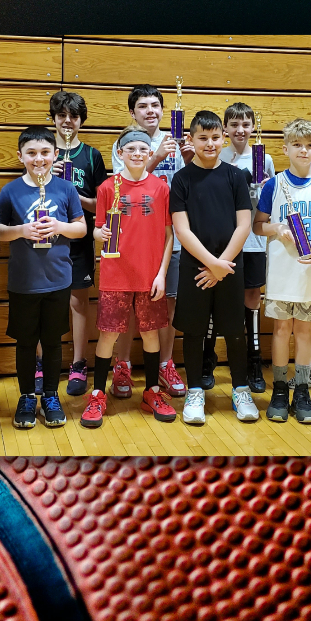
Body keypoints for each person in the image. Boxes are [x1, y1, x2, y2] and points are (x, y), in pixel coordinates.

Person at [83, 125, 176, 428]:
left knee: (151, 334)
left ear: (150, 153)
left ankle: (151, 391)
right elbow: (97, 228)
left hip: (150, 276)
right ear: (119, 153)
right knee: (108, 334)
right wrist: (100, 233)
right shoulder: (108, 188)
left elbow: (168, 235)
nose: (137, 154)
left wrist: (161, 274)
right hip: (115, 275)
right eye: (130, 149)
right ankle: (97, 394)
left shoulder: (161, 188)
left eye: (143, 149)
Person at [254, 119, 311, 425]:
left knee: (304, 331)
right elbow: (258, 224)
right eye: (297, 145)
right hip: (281, 270)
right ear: (286, 149)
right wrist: (277, 228)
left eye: (309, 145)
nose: (303, 150)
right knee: (281, 330)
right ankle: (280, 389)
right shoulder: (274, 184)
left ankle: (302, 390)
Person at [0, 126, 87, 429]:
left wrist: (58, 227)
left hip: (58, 280)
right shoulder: (11, 190)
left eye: (45, 152)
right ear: (20, 155)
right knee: (25, 343)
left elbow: (81, 228)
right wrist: (22, 231)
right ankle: (26, 396)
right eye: (32, 153)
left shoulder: (66, 188)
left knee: (52, 342)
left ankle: (50, 395)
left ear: (54, 154)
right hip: (23, 282)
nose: (39, 159)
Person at [170, 110, 254, 426]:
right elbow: (183, 230)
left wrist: (222, 266)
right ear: (191, 139)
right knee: (193, 332)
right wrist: (211, 263)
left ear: (224, 138)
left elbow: (244, 225)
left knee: (235, 331)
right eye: (202, 138)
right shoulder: (181, 179)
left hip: (230, 266)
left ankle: (241, 389)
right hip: (197, 267)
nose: (210, 143)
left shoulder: (236, 176)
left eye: (215, 137)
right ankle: (194, 391)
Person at [108, 85, 192, 398]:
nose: (150, 111)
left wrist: (188, 163)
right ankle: (123, 365)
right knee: (130, 305)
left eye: (155, 105)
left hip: (170, 233)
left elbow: (185, 189)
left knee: (168, 301)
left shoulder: (175, 140)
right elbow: (121, 186)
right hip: (133, 239)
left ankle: (165, 364)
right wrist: (155, 158)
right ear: (132, 112)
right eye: (142, 106)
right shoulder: (125, 143)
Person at [212, 101, 276, 393]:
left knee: (252, 294)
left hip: (255, 240)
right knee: (217, 295)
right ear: (225, 128)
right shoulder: (218, 155)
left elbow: (271, 202)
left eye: (245, 124)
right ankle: (207, 358)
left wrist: (264, 187)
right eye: (234, 124)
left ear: (253, 127)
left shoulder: (264, 158)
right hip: (223, 240)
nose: (240, 130)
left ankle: (253, 359)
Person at [48, 91, 108, 396]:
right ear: (54, 119)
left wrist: (76, 196)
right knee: (44, 303)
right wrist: (46, 175)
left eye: (73, 116)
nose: (67, 121)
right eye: (62, 116)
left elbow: (102, 204)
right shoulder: (43, 151)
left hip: (79, 239)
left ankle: (78, 364)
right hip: (45, 240)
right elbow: (25, 194)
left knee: (77, 302)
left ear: (81, 120)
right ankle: (42, 363)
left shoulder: (91, 155)